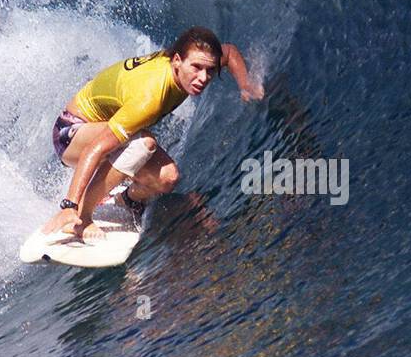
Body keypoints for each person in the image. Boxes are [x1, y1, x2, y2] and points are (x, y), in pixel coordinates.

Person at [41, 26, 262, 242]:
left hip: (102, 126)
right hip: (71, 133)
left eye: (210, 70)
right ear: (177, 61)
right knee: (143, 144)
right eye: (196, 68)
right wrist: (69, 204)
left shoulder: (193, 63)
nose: (203, 77)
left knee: (167, 178)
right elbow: (95, 148)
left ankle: (127, 200)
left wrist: (245, 85)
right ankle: (81, 215)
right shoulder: (151, 97)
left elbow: (230, 52)